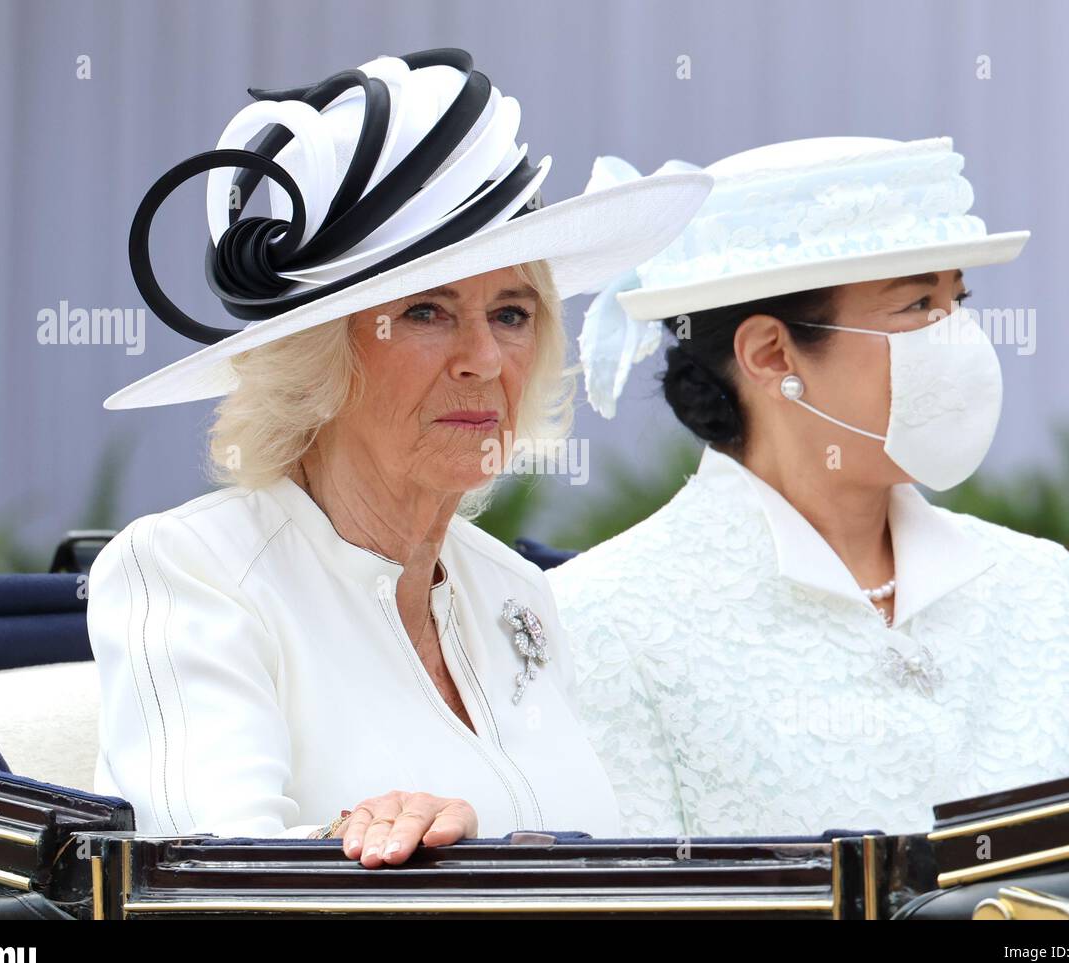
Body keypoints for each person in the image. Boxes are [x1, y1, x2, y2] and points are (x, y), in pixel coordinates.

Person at [85, 48, 712, 865]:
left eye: (513, 313)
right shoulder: (192, 571)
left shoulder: (515, 591)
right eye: (426, 312)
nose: (484, 359)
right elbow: (205, 876)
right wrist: (360, 846)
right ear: (318, 360)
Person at [550, 136, 1069, 837]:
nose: (956, 335)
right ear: (772, 354)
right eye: (917, 305)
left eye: (958, 297)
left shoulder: (1038, 586)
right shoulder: (607, 616)